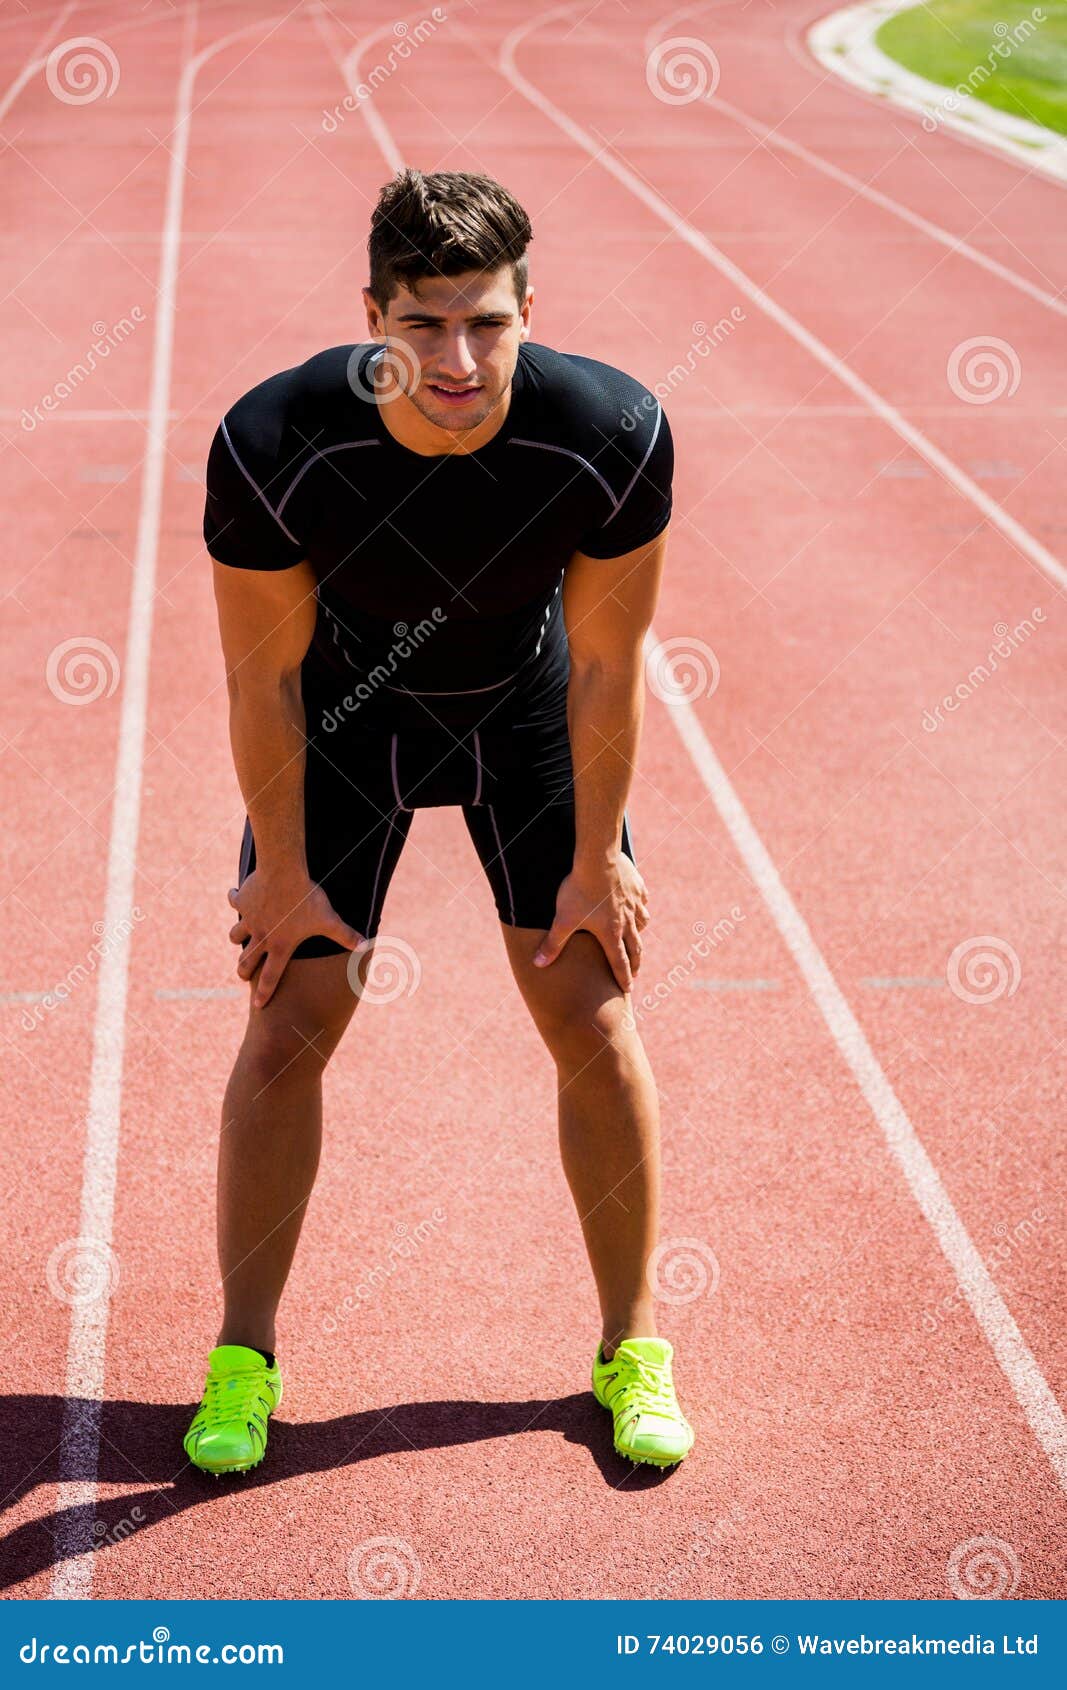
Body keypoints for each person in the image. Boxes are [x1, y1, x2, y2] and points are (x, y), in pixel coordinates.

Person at [184, 167, 693, 1477]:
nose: (458, 359)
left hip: (522, 709)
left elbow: (605, 666)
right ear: (373, 317)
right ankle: (244, 1354)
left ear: (533, 309)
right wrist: (284, 870)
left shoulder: (612, 431)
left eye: (487, 323)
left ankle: (634, 1342)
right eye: (423, 325)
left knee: (592, 1008)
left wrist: (595, 865)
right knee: (288, 1023)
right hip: (346, 719)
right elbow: (265, 677)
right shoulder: (275, 442)